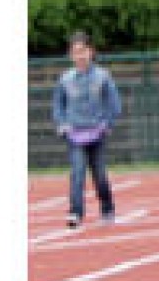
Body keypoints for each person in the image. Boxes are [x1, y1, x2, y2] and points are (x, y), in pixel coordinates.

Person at [52, 31, 121, 228]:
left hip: (97, 133)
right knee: (77, 172)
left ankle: (107, 209)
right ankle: (75, 212)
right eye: (75, 52)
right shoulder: (65, 79)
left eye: (83, 51)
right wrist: (62, 124)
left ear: (91, 52)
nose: (79, 56)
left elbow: (114, 103)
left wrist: (107, 124)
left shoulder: (103, 76)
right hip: (74, 134)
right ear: (70, 56)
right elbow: (58, 104)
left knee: (99, 175)